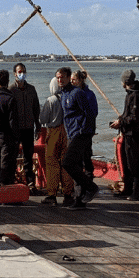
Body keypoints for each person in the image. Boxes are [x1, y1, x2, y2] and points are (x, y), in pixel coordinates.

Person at [58, 66, 98, 208]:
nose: (59, 80)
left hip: (81, 133)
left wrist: (86, 132)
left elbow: (89, 113)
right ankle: (80, 199)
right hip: (72, 134)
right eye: (57, 77)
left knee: (70, 163)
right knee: (74, 164)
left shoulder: (79, 94)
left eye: (62, 77)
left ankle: (90, 188)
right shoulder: (64, 95)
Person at [112, 69, 139, 199]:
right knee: (126, 161)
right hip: (127, 133)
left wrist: (120, 122)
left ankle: (136, 191)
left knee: (133, 162)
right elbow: (127, 115)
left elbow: (134, 117)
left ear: (126, 82)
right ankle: (127, 188)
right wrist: (120, 120)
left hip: (133, 134)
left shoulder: (135, 96)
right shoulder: (130, 95)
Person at [9, 63, 41, 190]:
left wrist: (38, 126)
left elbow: (36, 108)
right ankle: (12, 180)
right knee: (12, 156)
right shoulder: (11, 90)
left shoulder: (31, 89)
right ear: (15, 74)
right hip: (15, 129)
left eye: (23, 71)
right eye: (19, 72)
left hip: (28, 127)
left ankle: (30, 182)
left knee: (28, 156)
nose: (21, 74)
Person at [39, 74, 70, 206]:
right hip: (67, 132)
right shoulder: (68, 98)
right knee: (66, 163)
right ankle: (68, 194)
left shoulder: (51, 100)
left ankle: (52, 194)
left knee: (52, 163)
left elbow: (43, 119)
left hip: (53, 132)